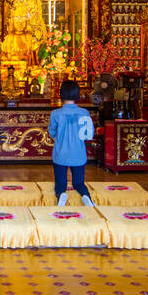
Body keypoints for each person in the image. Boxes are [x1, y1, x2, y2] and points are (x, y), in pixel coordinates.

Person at [48, 79, 96, 208]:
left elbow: (52, 132)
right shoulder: (84, 113)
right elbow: (88, 135)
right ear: (77, 95)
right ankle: (86, 196)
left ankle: (61, 194)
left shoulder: (56, 114)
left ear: (61, 95)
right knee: (79, 183)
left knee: (60, 183)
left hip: (60, 154)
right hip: (78, 153)